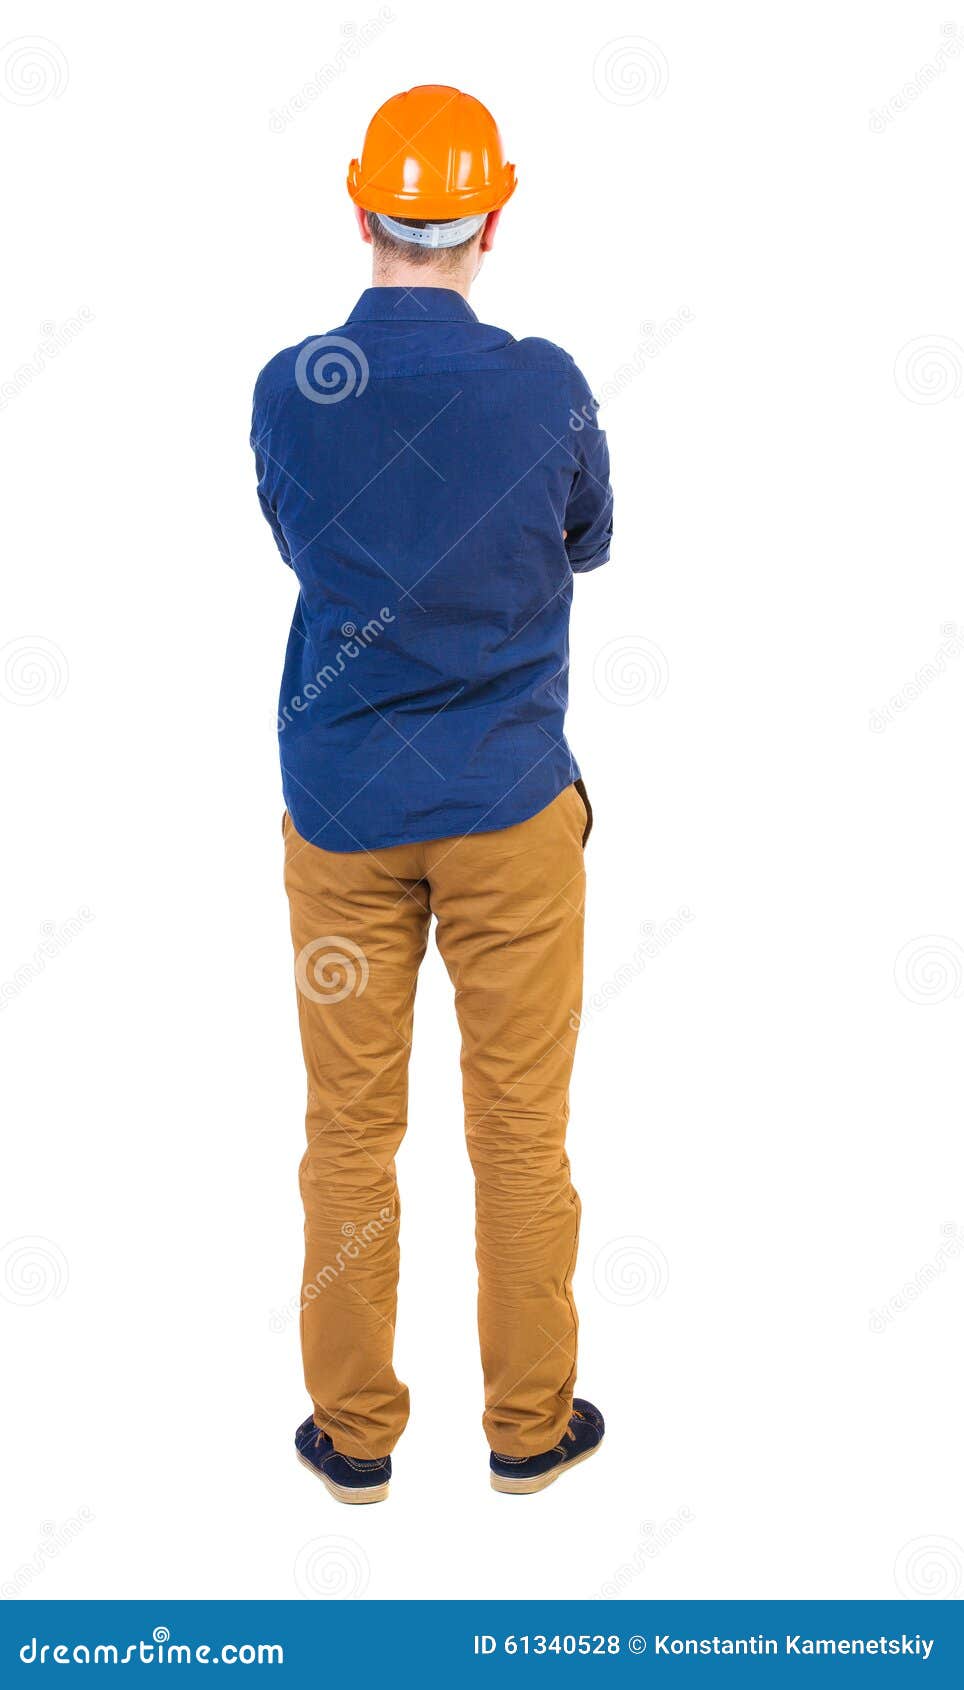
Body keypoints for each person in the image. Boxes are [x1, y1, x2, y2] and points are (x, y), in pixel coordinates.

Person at [250, 85, 613, 1502]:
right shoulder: (546, 383)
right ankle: (529, 1432)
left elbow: (299, 539)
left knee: (348, 1129)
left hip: (342, 817)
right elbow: (584, 537)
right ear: (492, 218)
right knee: (519, 1128)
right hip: (513, 809)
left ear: (361, 209)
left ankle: (354, 1438)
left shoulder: (294, 386)